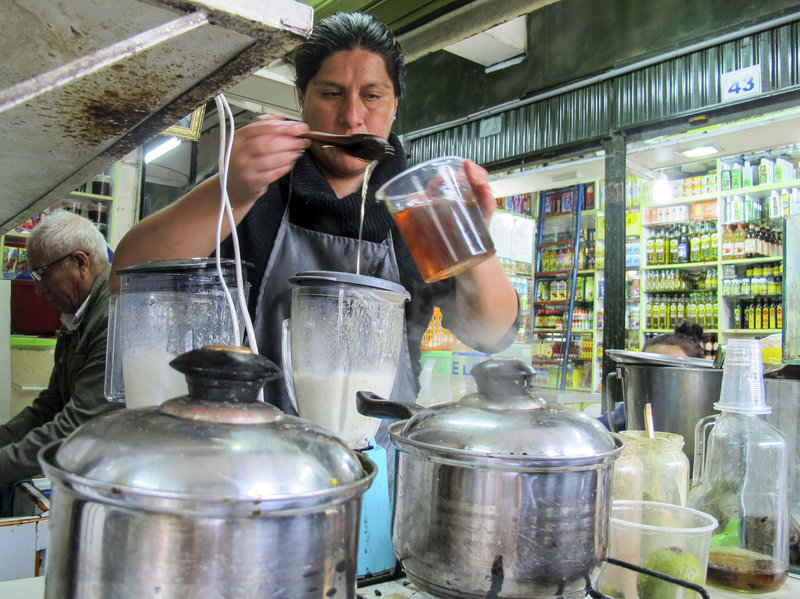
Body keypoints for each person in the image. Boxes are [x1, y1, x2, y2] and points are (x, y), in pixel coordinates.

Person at [110, 13, 520, 419]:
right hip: (253, 446)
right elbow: (126, 275)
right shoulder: (256, 185)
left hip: (377, 455)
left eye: (372, 96)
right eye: (331, 94)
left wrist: (474, 244)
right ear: (301, 97)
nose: (352, 117)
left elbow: (491, 333)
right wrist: (228, 191)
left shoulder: (419, 204)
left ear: (395, 103)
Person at [0, 211, 121, 494]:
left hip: (113, 484)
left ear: (80, 262)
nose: (39, 289)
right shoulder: (76, 316)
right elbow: (50, 406)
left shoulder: (113, 317)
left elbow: (79, 427)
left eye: (43, 274)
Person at [600, 320, 705, 431]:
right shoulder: (630, 411)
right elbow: (598, 429)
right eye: (648, 372)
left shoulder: (704, 418)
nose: (656, 382)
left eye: (670, 375)